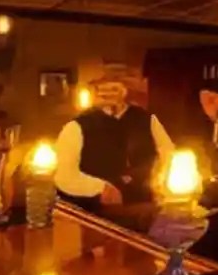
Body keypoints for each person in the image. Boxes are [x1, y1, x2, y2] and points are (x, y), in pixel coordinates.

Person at [54, 66, 174, 213]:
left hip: (145, 205)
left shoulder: (147, 120)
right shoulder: (77, 126)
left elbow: (169, 155)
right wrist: (100, 188)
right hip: (96, 211)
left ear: (125, 90)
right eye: (104, 88)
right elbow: (64, 175)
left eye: (114, 88)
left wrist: (159, 183)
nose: (109, 93)